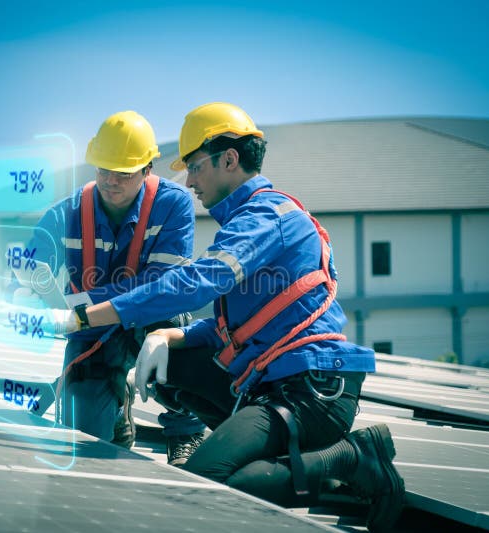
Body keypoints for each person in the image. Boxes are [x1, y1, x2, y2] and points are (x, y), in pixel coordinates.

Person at [48, 103, 406, 531]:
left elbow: (194, 283)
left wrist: (85, 317)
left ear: (230, 160)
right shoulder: (245, 219)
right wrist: (170, 338)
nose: (189, 180)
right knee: (169, 362)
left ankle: (349, 459)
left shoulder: (265, 216)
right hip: (268, 386)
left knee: (204, 484)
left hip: (310, 394)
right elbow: (231, 329)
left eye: (196, 167)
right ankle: (261, 449)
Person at [9, 110, 205, 455]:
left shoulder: (173, 205)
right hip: (93, 333)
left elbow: (162, 283)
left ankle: (184, 428)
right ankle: (114, 408)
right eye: (103, 169)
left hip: (151, 321)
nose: (111, 180)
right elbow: (26, 269)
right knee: (81, 439)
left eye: (124, 173)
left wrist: (79, 306)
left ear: (147, 170)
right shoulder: (63, 215)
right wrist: (22, 293)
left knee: (173, 332)